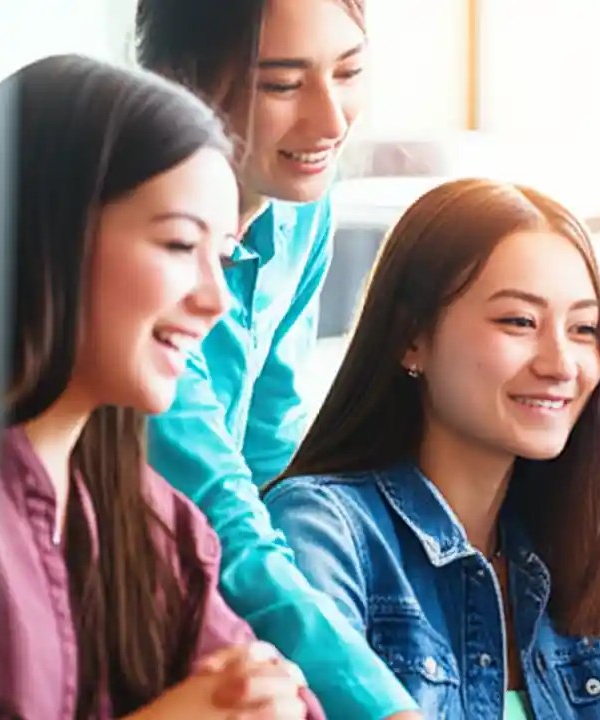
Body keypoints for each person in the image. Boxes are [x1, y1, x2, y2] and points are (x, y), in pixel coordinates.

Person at [0, 54, 319, 719]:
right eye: (176, 245)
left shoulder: (153, 522)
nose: (217, 300)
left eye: (223, 257)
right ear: (48, 234)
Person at [262, 179, 600, 719]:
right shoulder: (324, 530)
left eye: (584, 328)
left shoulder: (557, 562)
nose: (561, 363)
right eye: (519, 321)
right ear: (412, 338)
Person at [135, 2, 417, 716]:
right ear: (183, 82)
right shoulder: (137, 253)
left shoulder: (301, 210)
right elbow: (219, 513)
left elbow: (271, 458)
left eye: (349, 71)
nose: (331, 122)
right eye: (282, 85)